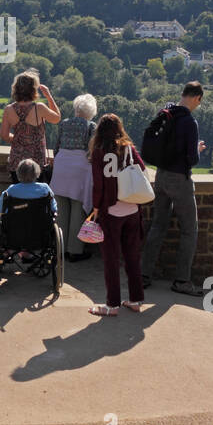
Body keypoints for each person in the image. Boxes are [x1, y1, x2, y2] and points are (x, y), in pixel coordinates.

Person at [140, 81, 206, 294]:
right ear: (196, 98)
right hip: (180, 179)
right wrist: (197, 149)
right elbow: (192, 159)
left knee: (158, 225)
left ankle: (143, 274)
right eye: (199, 102)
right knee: (189, 229)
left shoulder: (166, 112)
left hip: (160, 176)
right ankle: (181, 280)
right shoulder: (189, 122)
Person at [87, 113, 147, 317]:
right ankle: (136, 300)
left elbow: (98, 184)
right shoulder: (128, 148)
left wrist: (96, 207)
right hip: (132, 208)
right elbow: (142, 168)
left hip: (111, 211)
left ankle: (112, 305)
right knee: (133, 257)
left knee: (111, 259)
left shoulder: (99, 151)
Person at [49, 94, 97, 263]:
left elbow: (56, 148)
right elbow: (93, 151)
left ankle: (59, 248)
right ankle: (75, 251)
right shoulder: (91, 126)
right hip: (80, 170)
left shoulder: (64, 124)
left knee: (61, 208)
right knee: (79, 208)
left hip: (61, 167)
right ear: (91, 111)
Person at [0, 69, 61, 184]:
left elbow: (4, 135)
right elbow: (57, 118)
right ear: (33, 89)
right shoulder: (39, 108)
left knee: (19, 197)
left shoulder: (9, 109)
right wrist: (48, 96)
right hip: (36, 163)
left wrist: (18, 139)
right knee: (37, 198)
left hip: (17, 162)